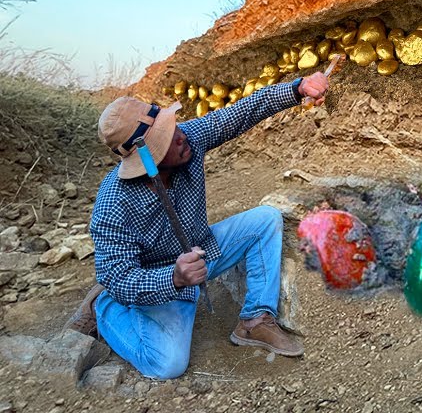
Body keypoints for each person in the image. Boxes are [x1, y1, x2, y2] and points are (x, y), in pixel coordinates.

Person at [64, 73, 329, 379]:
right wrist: (174, 278)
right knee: (167, 364)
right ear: (146, 159)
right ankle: (102, 308)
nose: (179, 137)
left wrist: (297, 89)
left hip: (199, 251)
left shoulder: (187, 139)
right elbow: (119, 277)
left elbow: (241, 113)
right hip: (160, 279)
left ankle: (255, 320)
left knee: (265, 219)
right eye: (165, 139)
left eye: (171, 127)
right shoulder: (114, 204)